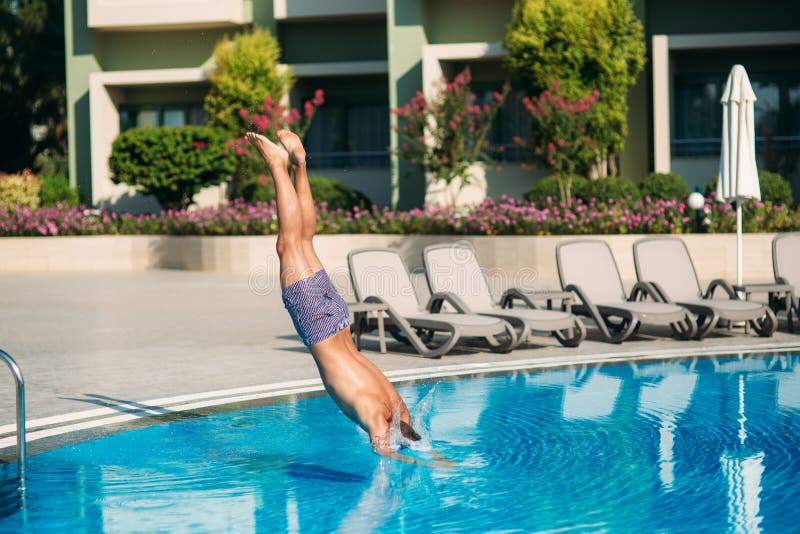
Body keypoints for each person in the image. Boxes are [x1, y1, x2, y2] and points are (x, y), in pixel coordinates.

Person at [246, 130, 423, 463]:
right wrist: (408, 460)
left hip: (338, 319)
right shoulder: (379, 415)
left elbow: (406, 437)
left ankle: (299, 165)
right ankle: (277, 165)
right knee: (289, 244)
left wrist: (434, 459)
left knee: (304, 242)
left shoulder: (401, 410)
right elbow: (382, 446)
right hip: (319, 324)